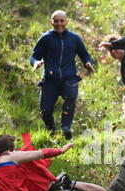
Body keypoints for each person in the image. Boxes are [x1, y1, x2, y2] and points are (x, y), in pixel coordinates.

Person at [30, 10, 95, 140]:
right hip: (50, 80)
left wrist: (87, 63)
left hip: (69, 77)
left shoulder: (74, 38)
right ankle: (51, 130)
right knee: (45, 110)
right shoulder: (46, 38)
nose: (59, 24)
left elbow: (85, 55)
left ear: (67, 22)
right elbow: (34, 56)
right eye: (56, 21)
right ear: (51, 22)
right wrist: (36, 63)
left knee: (70, 98)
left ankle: (66, 127)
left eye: (62, 21)